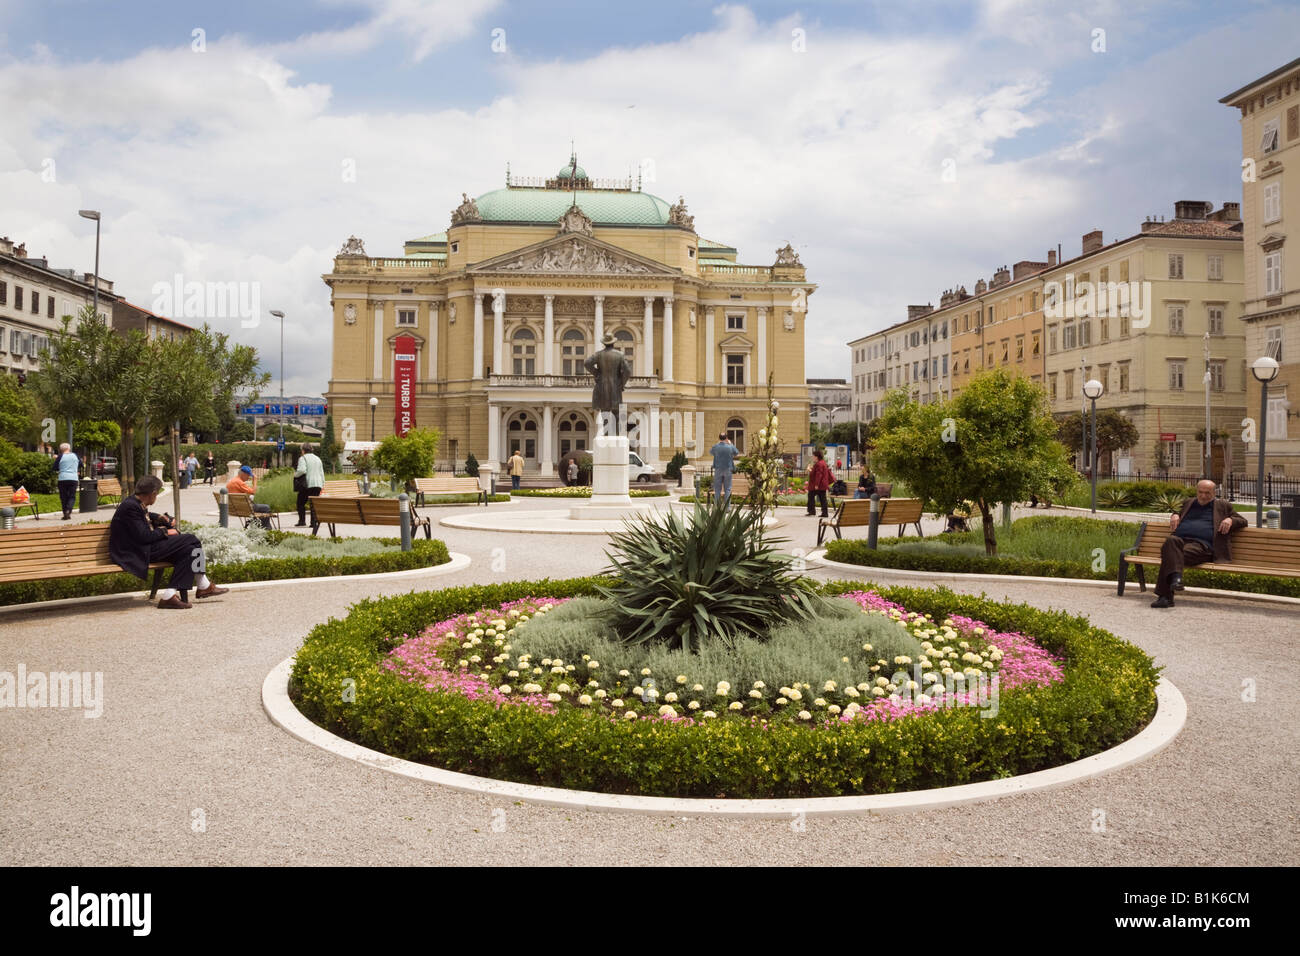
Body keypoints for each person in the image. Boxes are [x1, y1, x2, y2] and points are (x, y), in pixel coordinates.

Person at [109, 475, 228, 609]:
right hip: (136, 553)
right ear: (153, 493)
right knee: (191, 539)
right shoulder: (131, 507)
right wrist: (165, 531)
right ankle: (203, 585)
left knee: (188, 551)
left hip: (142, 548)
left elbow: (141, 518)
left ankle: (169, 596)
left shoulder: (134, 502)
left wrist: (159, 517)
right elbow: (144, 536)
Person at [1150, 479, 1247, 609]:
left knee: (1170, 557)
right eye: (1200, 492)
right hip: (1180, 542)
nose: (1203, 496)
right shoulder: (1188, 503)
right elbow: (1179, 511)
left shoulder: (1222, 506)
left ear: (1214, 493)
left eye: (1207, 493)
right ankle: (1176, 579)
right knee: (1171, 541)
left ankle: (1165, 597)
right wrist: (1175, 515)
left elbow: (1242, 521)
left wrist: (1230, 520)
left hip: (1202, 547)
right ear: (1197, 491)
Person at [293, 442, 325, 527]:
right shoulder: (318, 458)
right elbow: (321, 473)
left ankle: (302, 521)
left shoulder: (303, 458)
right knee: (313, 504)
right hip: (318, 484)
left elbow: (302, 470)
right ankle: (313, 522)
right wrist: (322, 485)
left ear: (303, 450)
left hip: (307, 484)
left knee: (300, 502)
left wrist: (295, 474)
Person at [709, 433, 741, 506]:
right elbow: (736, 452)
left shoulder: (715, 447)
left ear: (719, 438)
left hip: (718, 469)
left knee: (717, 489)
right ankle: (727, 508)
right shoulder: (730, 447)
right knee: (727, 489)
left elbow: (711, 452)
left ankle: (717, 507)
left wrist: (718, 444)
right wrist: (731, 444)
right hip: (728, 469)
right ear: (726, 438)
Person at [54, 443, 79, 520]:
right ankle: (68, 510)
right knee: (72, 496)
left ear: (61, 449)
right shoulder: (75, 456)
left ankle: (65, 512)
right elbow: (80, 464)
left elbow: (54, 467)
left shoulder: (60, 457)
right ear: (69, 448)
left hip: (62, 479)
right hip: (73, 478)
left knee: (63, 496)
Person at [806, 448, 832, 518]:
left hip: (818, 485)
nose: (812, 457)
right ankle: (824, 513)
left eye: (813, 456)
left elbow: (818, 475)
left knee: (811, 496)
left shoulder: (819, 464)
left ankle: (812, 511)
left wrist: (816, 484)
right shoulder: (822, 463)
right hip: (822, 484)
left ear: (816, 457)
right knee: (822, 498)